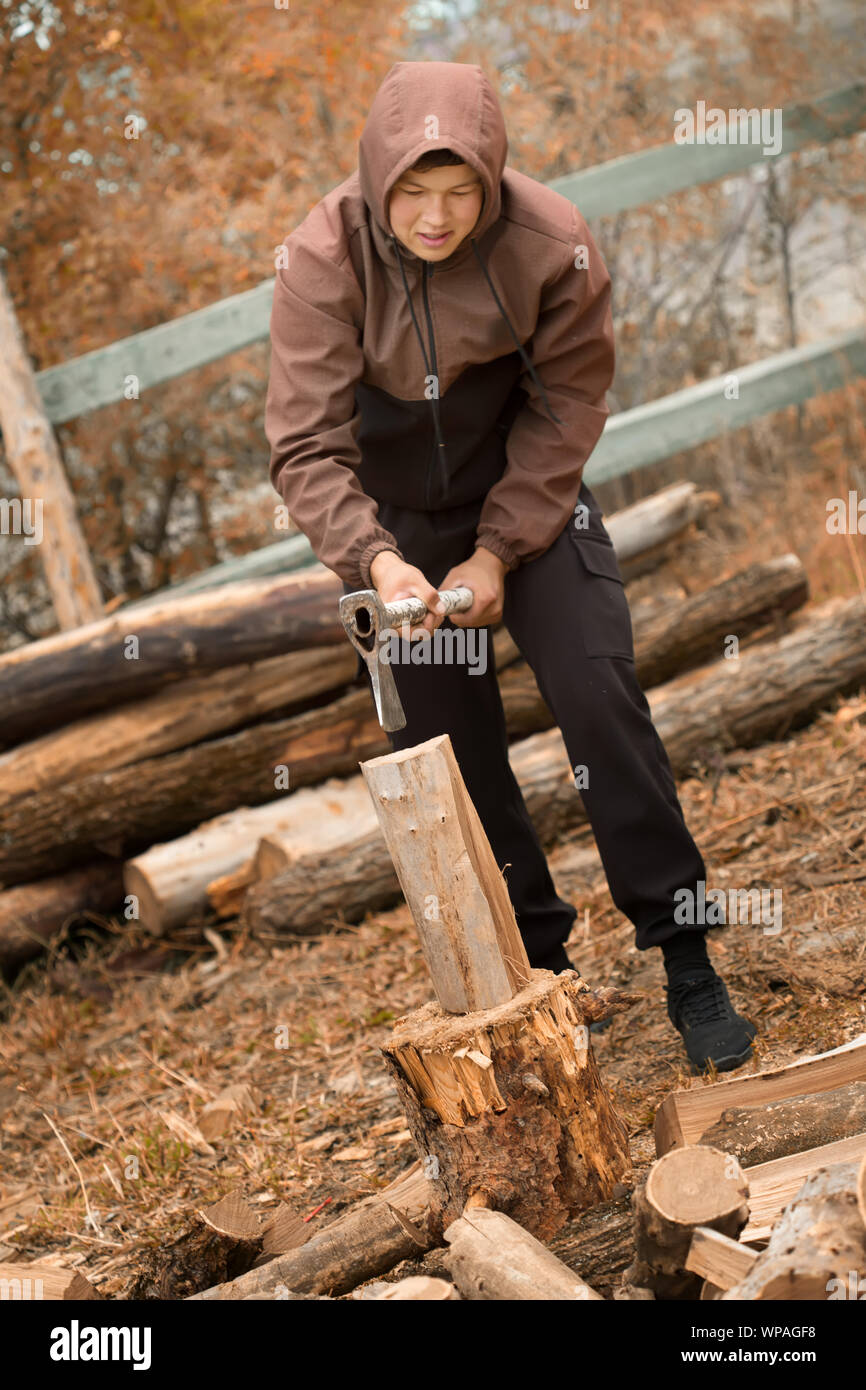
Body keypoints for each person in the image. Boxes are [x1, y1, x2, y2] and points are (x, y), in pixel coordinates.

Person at [264, 60, 757, 1073]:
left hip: (524, 492)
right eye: (412, 192)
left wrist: (498, 548)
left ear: (492, 178)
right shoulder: (322, 258)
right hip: (395, 527)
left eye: (459, 192)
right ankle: (541, 971)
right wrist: (379, 561)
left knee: (597, 690)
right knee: (453, 756)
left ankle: (684, 952)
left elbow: (570, 401)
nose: (435, 217)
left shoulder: (550, 241)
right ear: (375, 180)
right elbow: (305, 448)